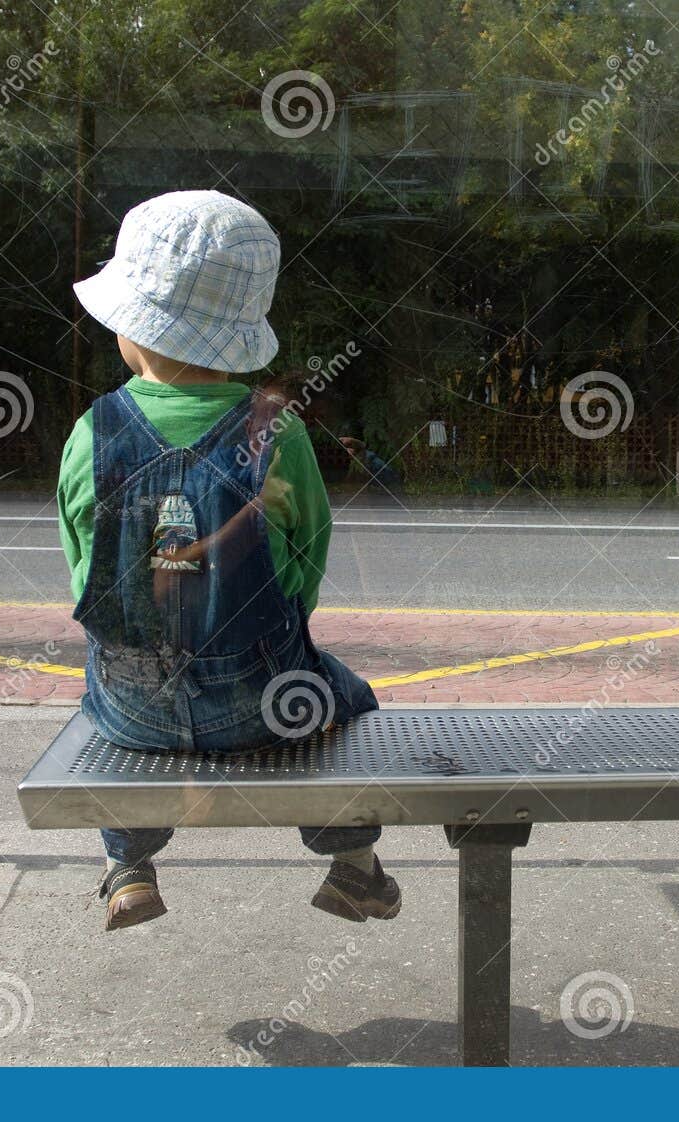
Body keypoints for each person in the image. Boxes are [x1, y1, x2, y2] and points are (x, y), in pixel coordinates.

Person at [57, 189, 402, 931]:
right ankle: (353, 865)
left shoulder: (93, 432)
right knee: (348, 702)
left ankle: (127, 864)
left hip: (134, 705)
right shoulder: (278, 432)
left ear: (135, 330)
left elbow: (84, 575)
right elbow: (304, 567)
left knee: (94, 705)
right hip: (263, 699)